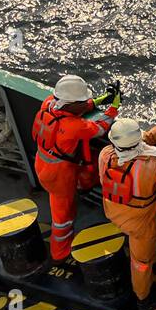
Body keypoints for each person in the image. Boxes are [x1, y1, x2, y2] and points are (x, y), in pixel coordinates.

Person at [98, 117, 156, 310]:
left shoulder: (105, 155)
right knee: (141, 263)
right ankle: (143, 298)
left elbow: (133, 148)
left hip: (114, 211)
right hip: (141, 224)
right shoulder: (153, 164)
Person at [32, 74, 119, 265]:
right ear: (70, 103)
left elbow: (77, 108)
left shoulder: (48, 104)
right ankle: (60, 254)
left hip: (42, 163)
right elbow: (100, 127)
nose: (84, 103)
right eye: (81, 101)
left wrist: (101, 100)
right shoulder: (73, 127)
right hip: (59, 177)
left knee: (63, 205)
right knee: (63, 217)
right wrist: (114, 107)